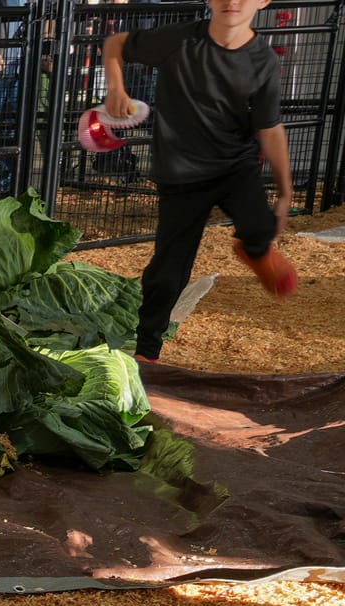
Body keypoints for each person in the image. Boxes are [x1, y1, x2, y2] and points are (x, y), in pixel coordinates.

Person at [103, 0, 295, 361]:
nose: (232, 1)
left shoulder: (263, 61)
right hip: (181, 175)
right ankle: (147, 351)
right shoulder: (179, 40)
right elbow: (115, 45)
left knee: (260, 227)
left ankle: (254, 249)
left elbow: (269, 127)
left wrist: (285, 190)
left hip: (234, 167)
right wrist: (117, 87)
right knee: (168, 272)